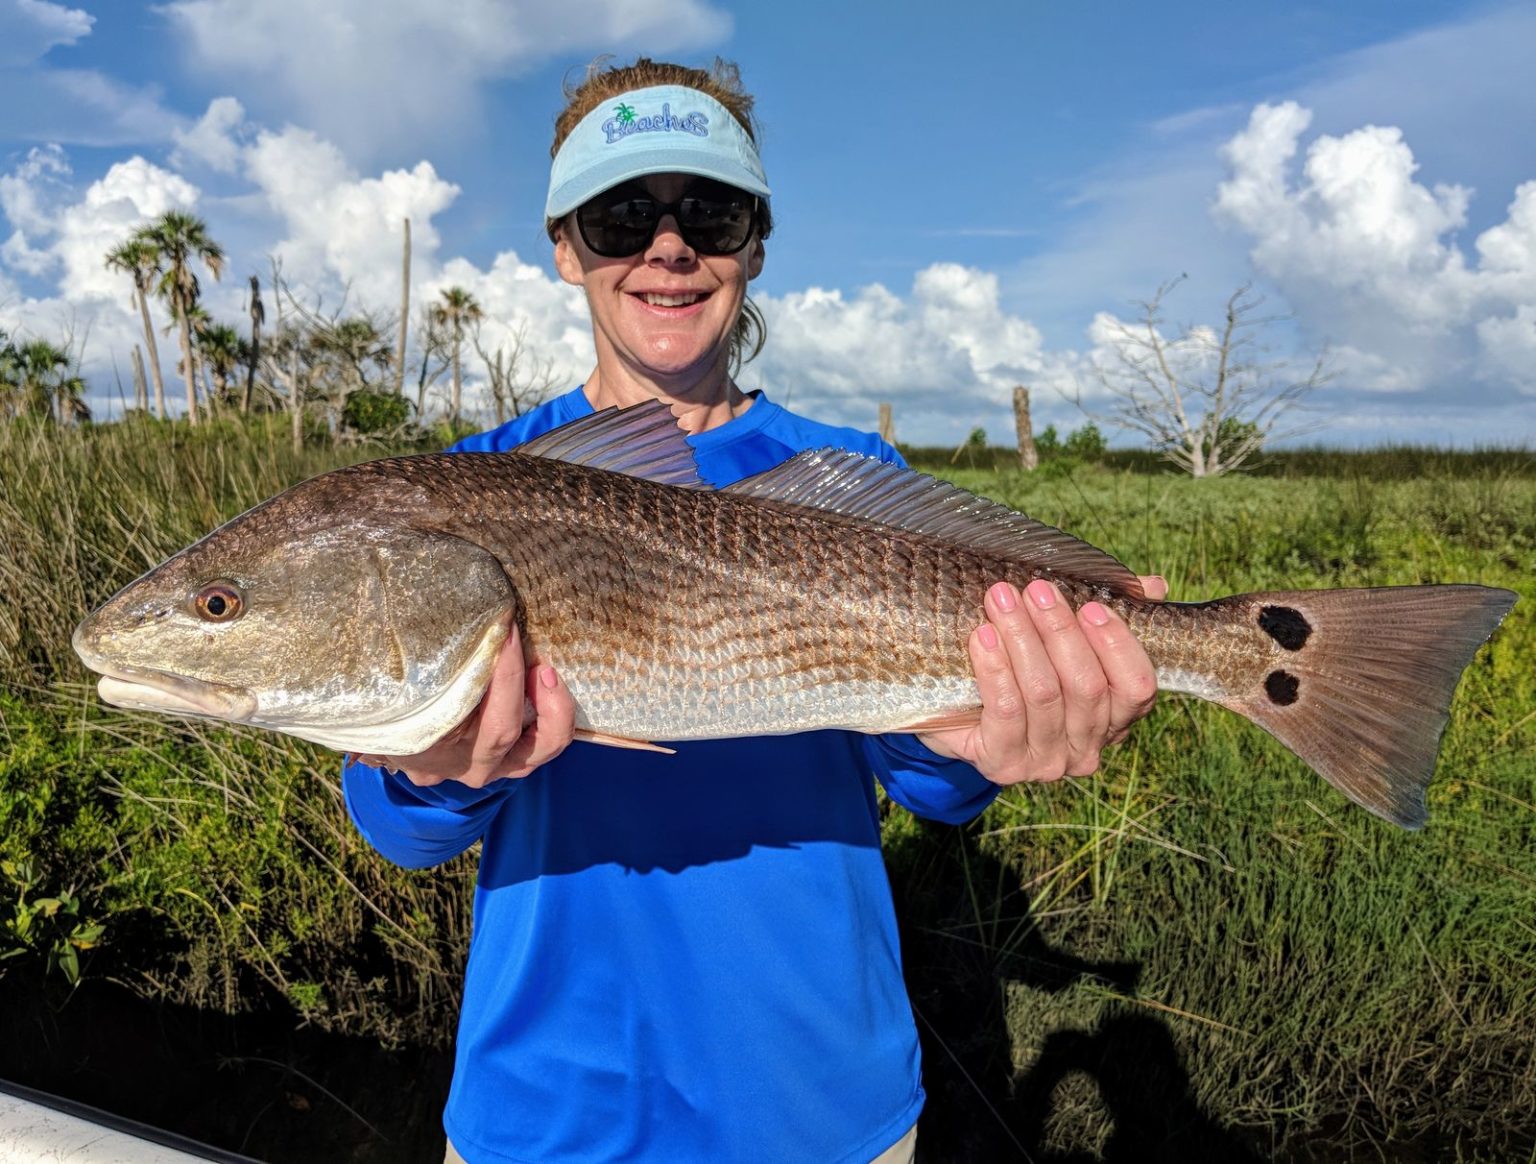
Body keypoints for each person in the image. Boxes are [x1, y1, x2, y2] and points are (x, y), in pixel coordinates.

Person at [342, 57, 1163, 1164]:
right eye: (623, 214)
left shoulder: (848, 472)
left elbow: (931, 784)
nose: (668, 247)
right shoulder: (474, 482)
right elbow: (395, 824)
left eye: (709, 214)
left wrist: (982, 746)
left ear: (757, 244)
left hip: (819, 1100)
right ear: (565, 245)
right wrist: (433, 770)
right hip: (547, 1104)